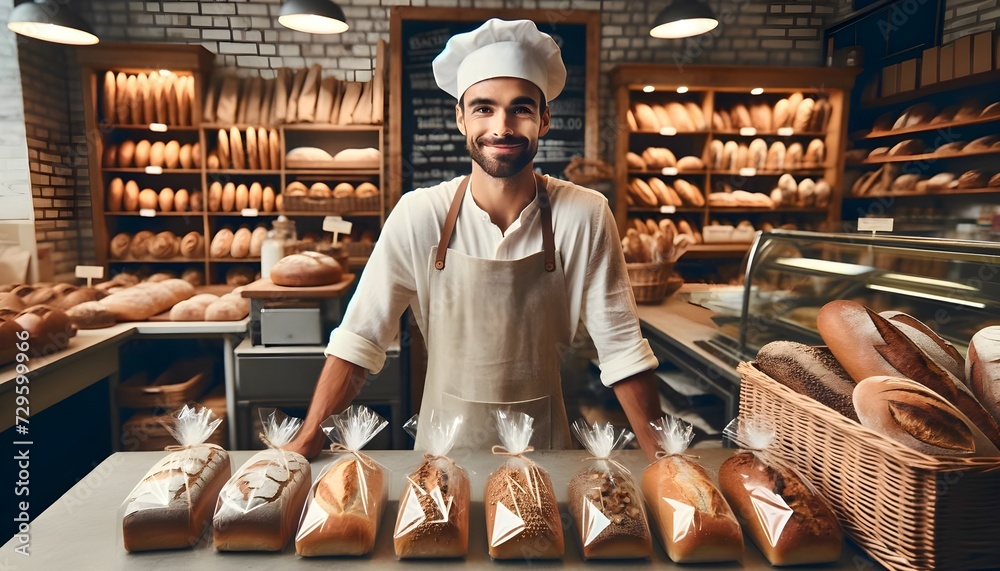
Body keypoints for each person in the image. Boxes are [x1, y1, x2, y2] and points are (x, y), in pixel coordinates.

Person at [288, 18, 662, 459]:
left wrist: (662, 455)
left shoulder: (585, 214)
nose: (501, 126)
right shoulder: (419, 214)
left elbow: (622, 350)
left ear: (544, 119)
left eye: (521, 109)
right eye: (484, 108)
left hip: (543, 455)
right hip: (442, 455)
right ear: (460, 117)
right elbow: (360, 340)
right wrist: (311, 433)